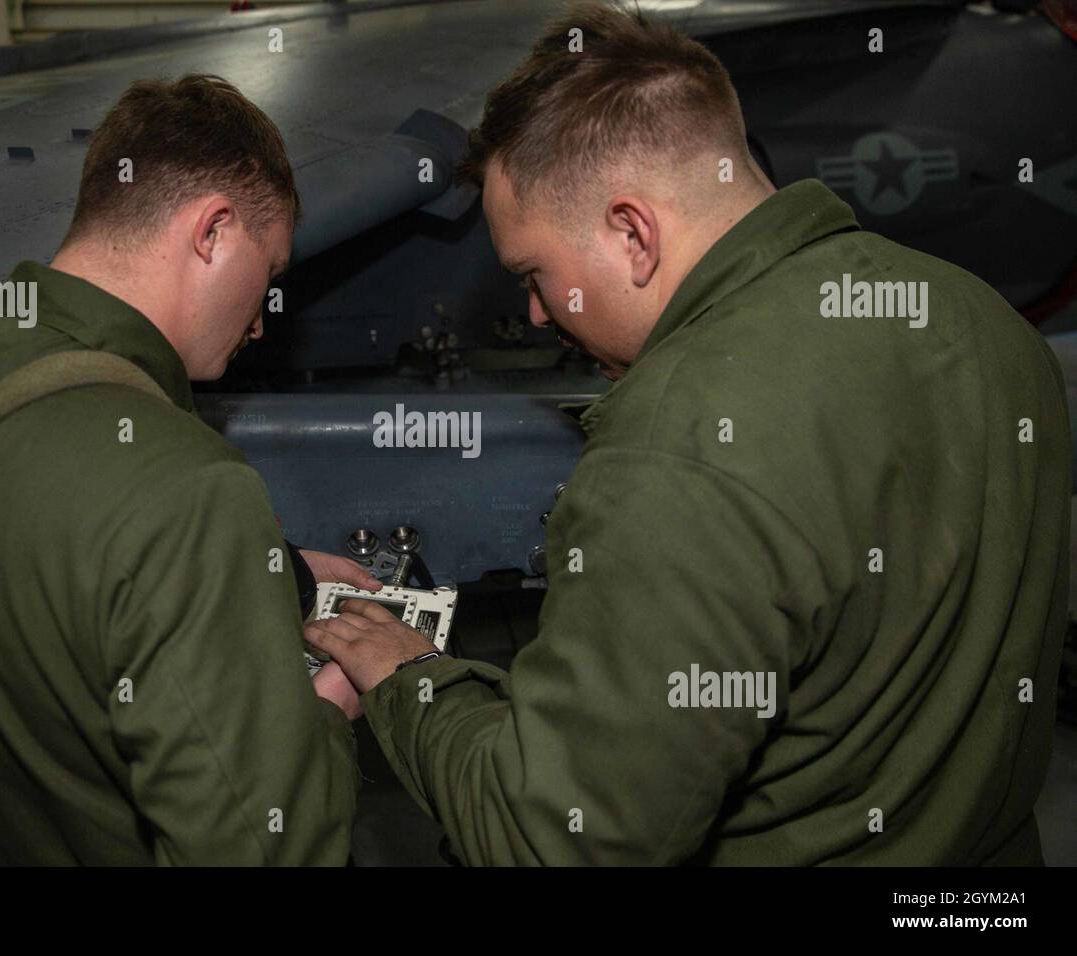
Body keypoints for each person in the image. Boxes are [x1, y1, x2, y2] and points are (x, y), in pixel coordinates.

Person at [305, 2, 1071, 864]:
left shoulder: (678, 446)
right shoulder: (984, 321)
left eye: (534, 273)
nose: (532, 309)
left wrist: (412, 684)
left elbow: (560, 839)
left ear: (632, 233)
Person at [0, 74, 371, 865]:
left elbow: (50, 579)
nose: (261, 321)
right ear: (213, 232)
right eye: (267, 278)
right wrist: (325, 721)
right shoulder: (193, 491)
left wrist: (271, 570)